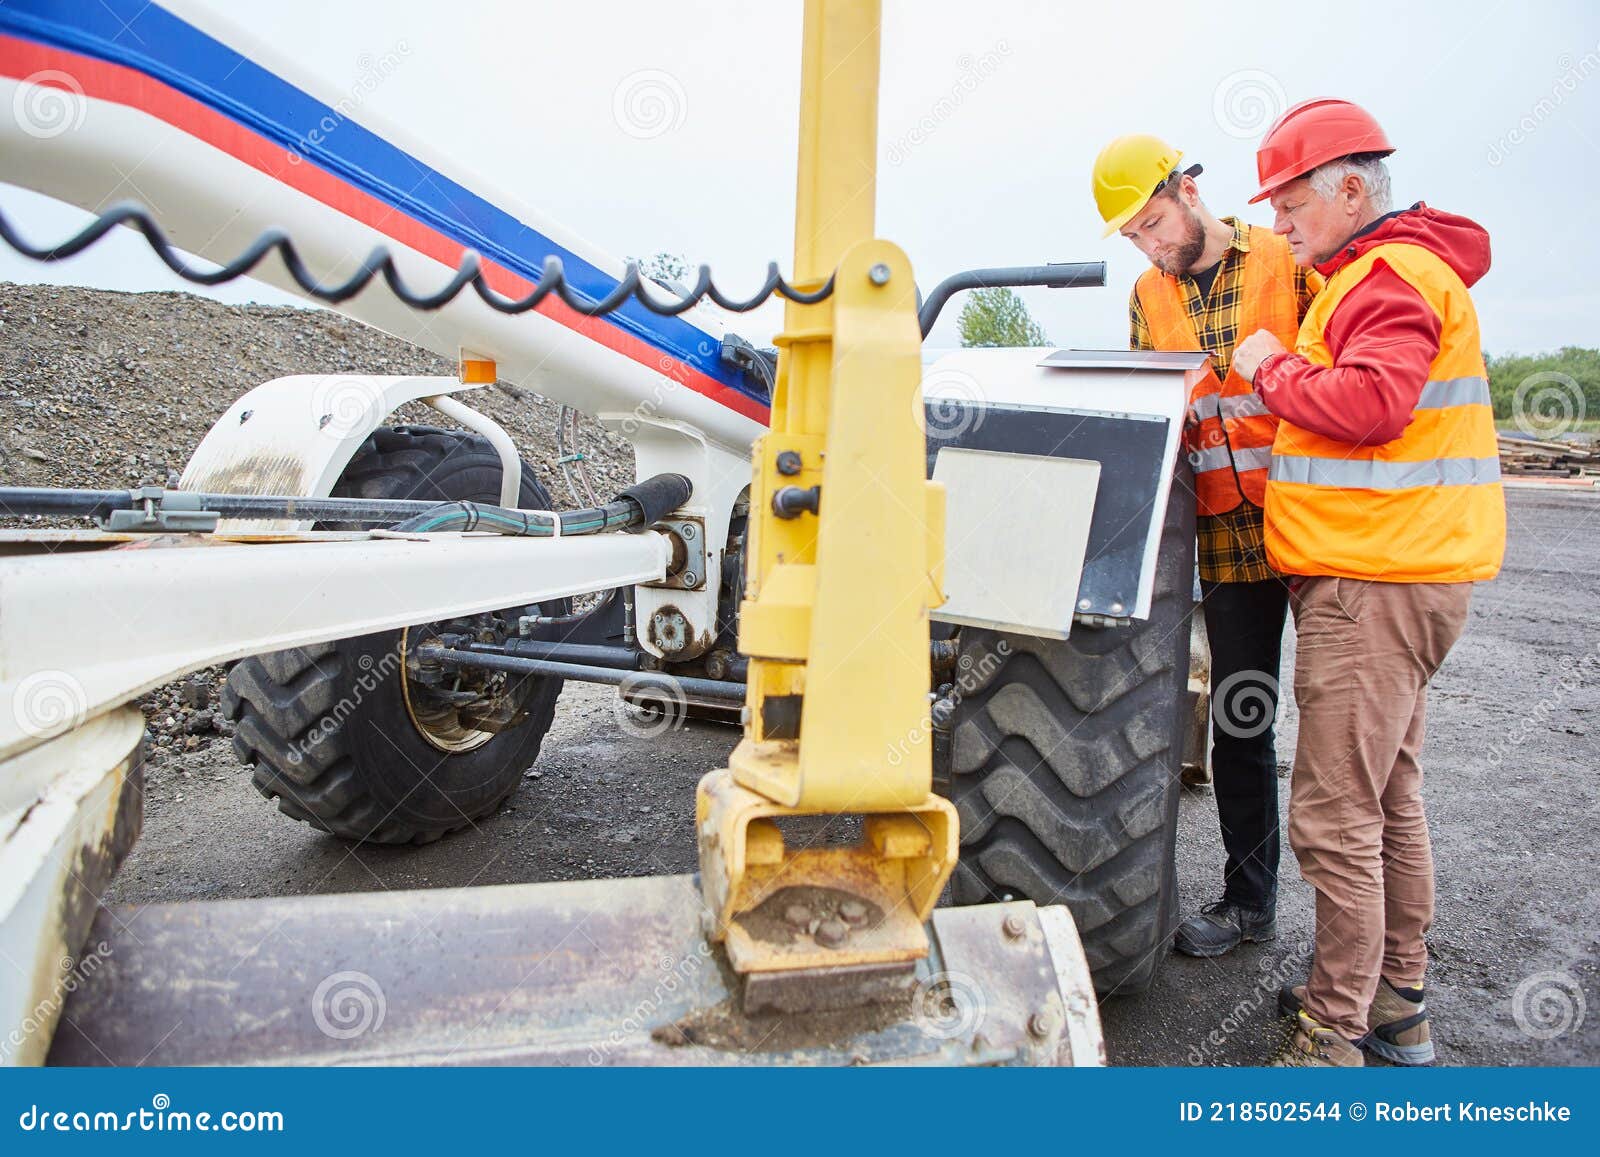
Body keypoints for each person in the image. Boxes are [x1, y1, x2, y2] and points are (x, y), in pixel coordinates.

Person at [1232, 98, 1505, 1066]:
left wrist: (1269, 371)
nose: (1277, 224)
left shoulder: (1384, 278)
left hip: (1371, 584)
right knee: (1387, 797)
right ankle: (1394, 1002)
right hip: (1405, 575)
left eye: (1291, 201)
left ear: (1351, 188)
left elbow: (1373, 403)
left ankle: (1333, 1029)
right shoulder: (1392, 270)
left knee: (1333, 811)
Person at [1092, 133, 1318, 958]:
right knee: (1240, 719)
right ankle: (1249, 903)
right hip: (1227, 540)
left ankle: (1364, 935)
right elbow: (1155, 417)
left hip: (1315, 525)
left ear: (1188, 188)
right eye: (1136, 238)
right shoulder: (1148, 297)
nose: (1152, 247)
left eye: (1155, 222)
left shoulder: (1286, 259)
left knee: (1341, 732)